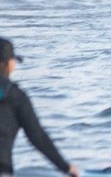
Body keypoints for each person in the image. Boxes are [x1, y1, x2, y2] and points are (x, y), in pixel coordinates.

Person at [0, 39, 80, 176]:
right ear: (6, 63)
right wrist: (66, 168)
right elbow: (38, 137)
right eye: (13, 61)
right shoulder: (15, 96)